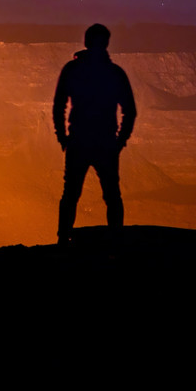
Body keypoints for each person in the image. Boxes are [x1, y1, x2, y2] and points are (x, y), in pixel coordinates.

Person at [53, 23, 136, 244]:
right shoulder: (114, 73)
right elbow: (130, 110)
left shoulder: (73, 70)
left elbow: (58, 104)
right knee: (111, 195)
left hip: (81, 141)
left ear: (86, 42)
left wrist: (63, 137)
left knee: (71, 195)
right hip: (104, 142)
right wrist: (120, 141)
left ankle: (63, 240)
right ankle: (115, 241)